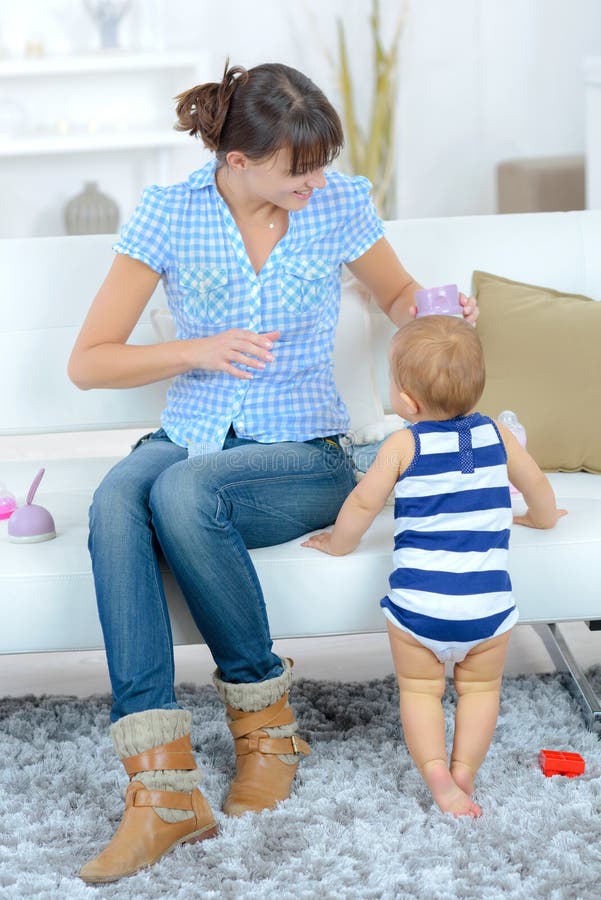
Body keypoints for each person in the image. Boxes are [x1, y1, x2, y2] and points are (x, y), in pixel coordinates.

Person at [68, 61, 480, 883]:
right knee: (117, 502)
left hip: (304, 451)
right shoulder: (171, 214)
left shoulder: (336, 204)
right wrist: (196, 350)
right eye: (298, 168)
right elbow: (89, 362)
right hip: (191, 429)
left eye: (320, 162)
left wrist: (435, 308)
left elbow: (398, 296)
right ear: (237, 161)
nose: (314, 181)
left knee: (186, 493)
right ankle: (162, 791)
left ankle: (267, 728)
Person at [303, 316, 566, 817]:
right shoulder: (497, 435)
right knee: (481, 689)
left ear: (406, 401)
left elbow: (361, 505)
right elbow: (537, 489)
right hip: (487, 608)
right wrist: (540, 519)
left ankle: (436, 774)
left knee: (421, 691)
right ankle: (464, 770)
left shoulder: (404, 444)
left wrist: (338, 545)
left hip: (419, 606)